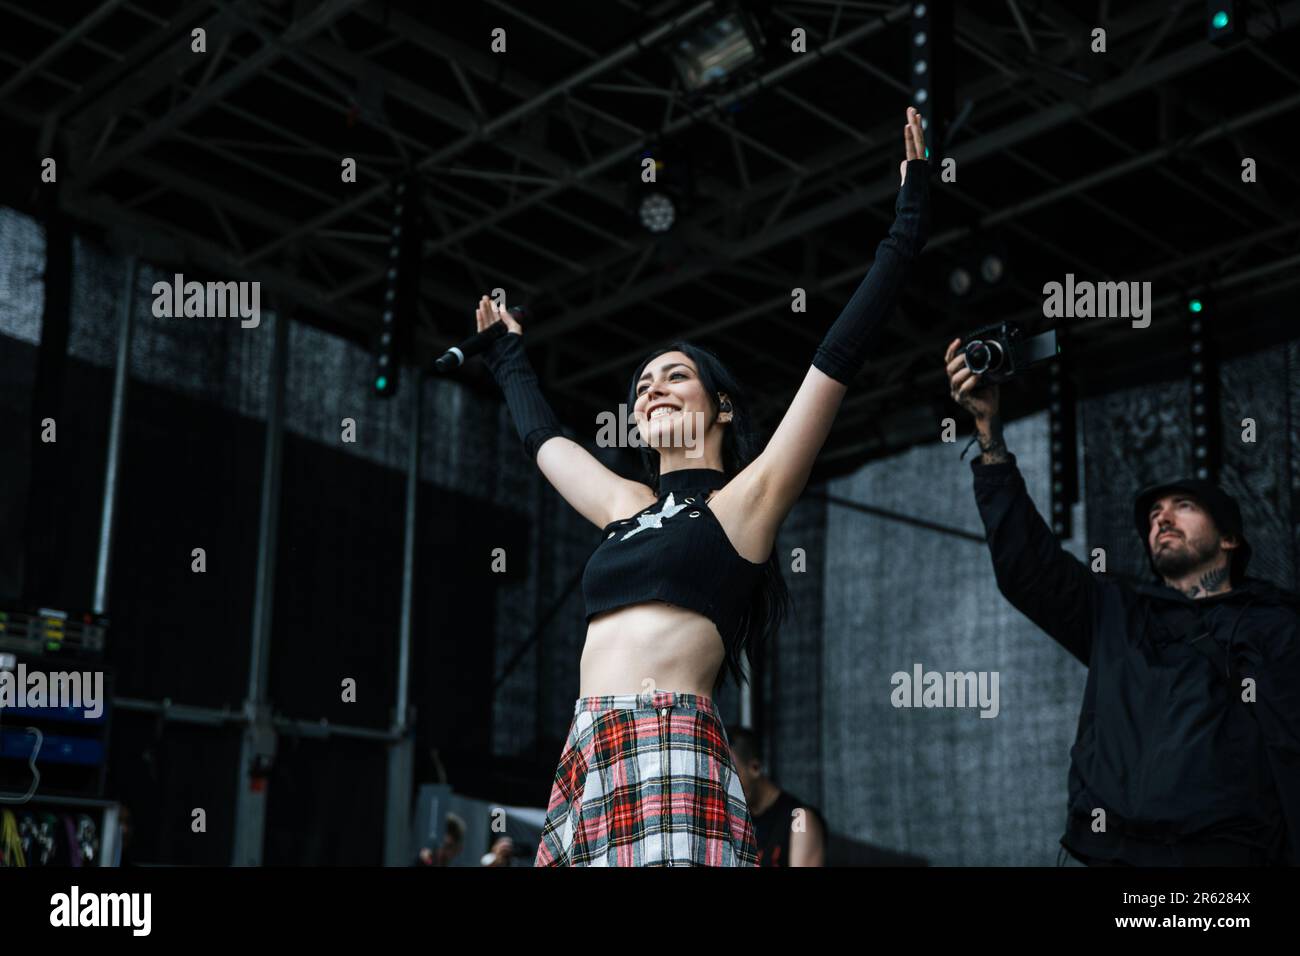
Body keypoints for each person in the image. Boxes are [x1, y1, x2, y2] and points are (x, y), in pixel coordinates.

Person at [478, 108, 930, 867]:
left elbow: (838, 355)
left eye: (674, 375)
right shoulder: (626, 508)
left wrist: (908, 221)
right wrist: (507, 359)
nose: (651, 389)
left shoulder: (743, 505)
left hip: (672, 739)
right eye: (642, 382)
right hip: (589, 743)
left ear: (720, 406)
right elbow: (545, 442)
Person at [943, 338, 1300, 865]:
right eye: (1154, 514)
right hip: (1105, 857)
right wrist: (989, 436)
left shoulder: (1279, 626)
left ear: (1229, 539)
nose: (1162, 518)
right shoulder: (1120, 613)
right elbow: (1027, 569)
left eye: (1183, 506)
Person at [729, 727, 827, 866]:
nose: (725, 787)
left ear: (755, 768)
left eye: (731, 774)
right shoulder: (737, 822)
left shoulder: (800, 818)